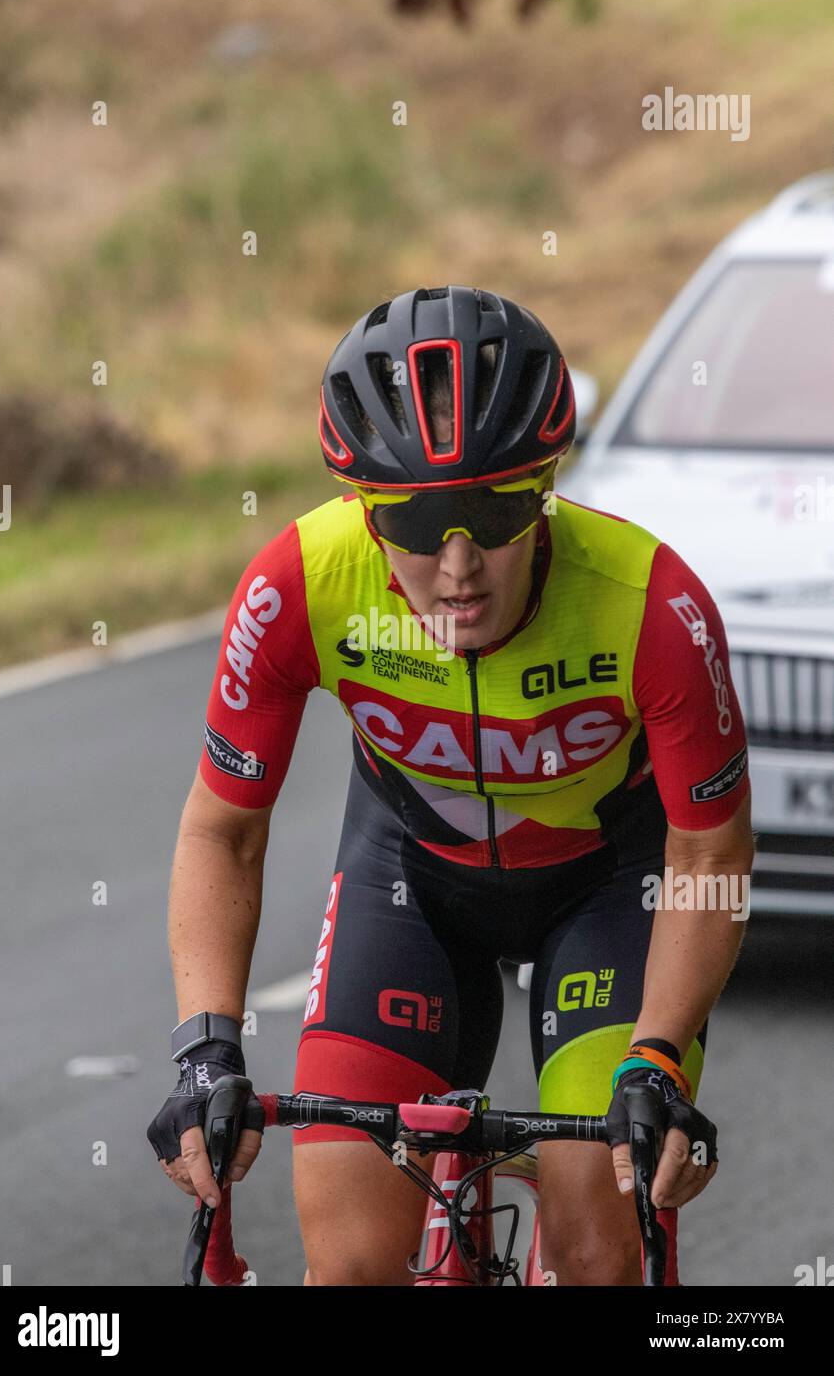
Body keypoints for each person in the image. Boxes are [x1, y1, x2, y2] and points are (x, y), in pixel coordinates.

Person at [148, 285, 754, 1286]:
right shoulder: (298, 583)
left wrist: (656, 1054)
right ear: (363, 507)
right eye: (422, 522)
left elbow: (710, 851)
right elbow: (222, 831)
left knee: (598, 1247)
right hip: (409, 880)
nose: (459, 564)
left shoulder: (651, 604)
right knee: (345, 1264)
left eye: (495, 509)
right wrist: (206, 1050)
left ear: (545, 488)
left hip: (611, 886)